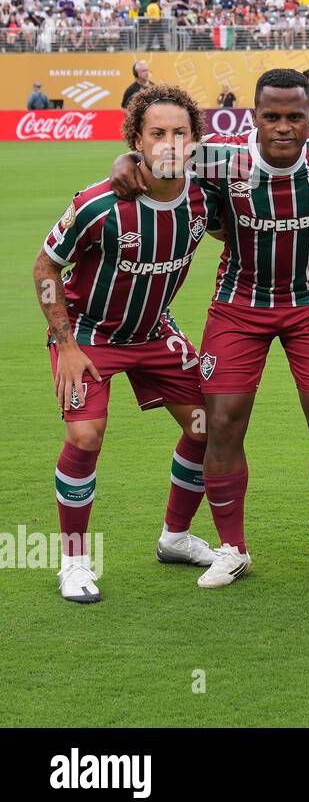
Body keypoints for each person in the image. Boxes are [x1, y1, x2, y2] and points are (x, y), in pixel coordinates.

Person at [110, 71, 309, 589]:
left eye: (295, 116)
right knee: (221, 422)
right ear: (254, 117)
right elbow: (161, 158)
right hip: (239, 303)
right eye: (271, 116)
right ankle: (232, 548)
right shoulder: (221, 157)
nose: (283, 127)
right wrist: (127, 160)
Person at [35, 85, 223, 603]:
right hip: (90, 334)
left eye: (179, 133)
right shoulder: (99, 203)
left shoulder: (207, 195)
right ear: (135, 140)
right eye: (156, 133)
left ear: (195, 141)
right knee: (86, 436)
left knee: (207, 426)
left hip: (154, 331)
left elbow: (264, 161)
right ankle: (72, 563)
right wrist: (66, 344)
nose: (168, 143)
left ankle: (175, 537)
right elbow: (46, 266)